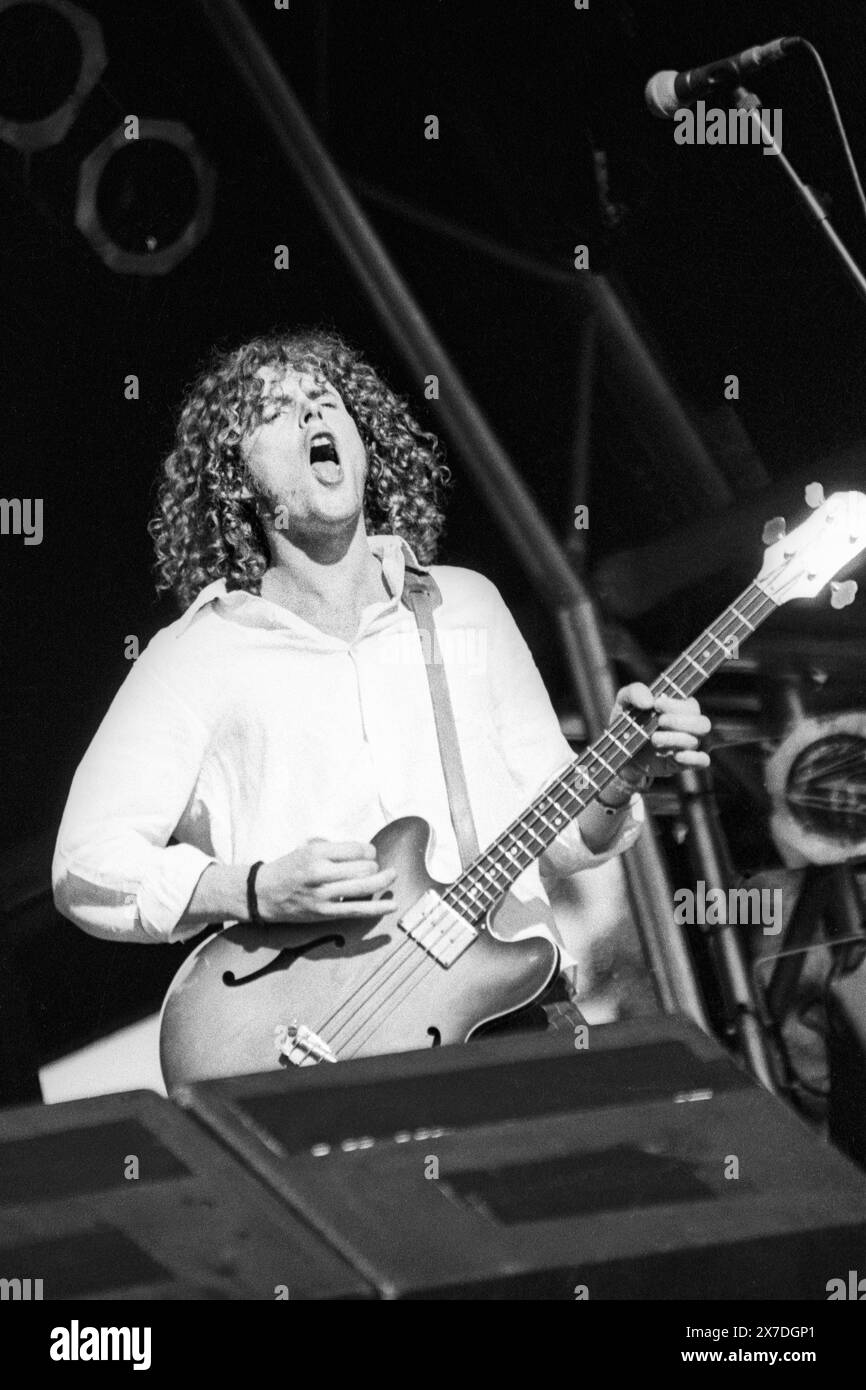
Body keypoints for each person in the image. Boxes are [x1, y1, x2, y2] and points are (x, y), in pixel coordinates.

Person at [52, 328, 710, 1042]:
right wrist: (256, 888)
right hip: (320, 1037)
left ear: (361, 444)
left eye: (325, 400)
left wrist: (617, 779)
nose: (312, 417)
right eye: (277, 411)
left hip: (512, 1009)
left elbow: (570, 842)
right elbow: (88, 864)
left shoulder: (465, 607)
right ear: (237, 476)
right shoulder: (195, 657)